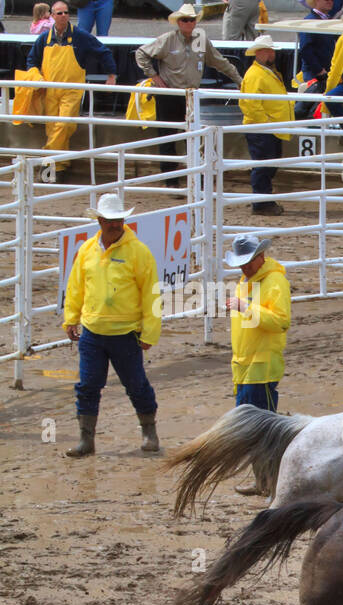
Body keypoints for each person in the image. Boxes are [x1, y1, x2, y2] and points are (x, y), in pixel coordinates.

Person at [63, 194, 162, 459]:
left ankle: (149, 432)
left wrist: (149, 332)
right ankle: (87, 439)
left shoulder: (138, 252)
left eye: (118, 220)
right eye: (110, 220)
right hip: (92, 333)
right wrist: (71, 317)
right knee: (87, 385)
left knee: (136, 384)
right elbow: (76, 287)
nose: (115, 225)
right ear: (99, 220)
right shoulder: (86, 250)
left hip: (126, 333)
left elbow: (151, 295)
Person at [136, 5, 243, 189]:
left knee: (194, 137)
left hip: (191, 95)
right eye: (185, 19)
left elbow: (218, 61)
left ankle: (197, 179)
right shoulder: (168, 39)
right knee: (168, 138)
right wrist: (154, 76)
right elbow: (141, 53)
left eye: (191, 19)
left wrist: (239, 79)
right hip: (170, 94)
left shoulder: (200, 39)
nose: (188, 23)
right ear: (178, 22)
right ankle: (171, 181)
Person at [26, 2, 117, 171]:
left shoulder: (80, 36)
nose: (63, 16)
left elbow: (103, 52)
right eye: (59, 13)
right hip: (50, 91)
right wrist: (36, 77)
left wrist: (111, 74)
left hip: (72, 90)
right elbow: (31, 61)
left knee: (65, 125)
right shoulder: (43, 39)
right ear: (52, 16)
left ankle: (47, 160)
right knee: (53, 129)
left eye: (66, 13)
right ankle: (59, 167)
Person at [224, 234, 291, 414]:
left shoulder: (274, 282)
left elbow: (281, 322)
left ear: (261, 257)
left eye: (248, 263)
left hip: (261, 369)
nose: (245, 268)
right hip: (245, 369)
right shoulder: (247, 281)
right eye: (242, 264)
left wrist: (245, 307)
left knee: (258, 427)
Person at [238, 35, 291, 216]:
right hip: (263, 128)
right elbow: (250, 104)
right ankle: (261, 202)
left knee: (267, 163)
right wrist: (266, 122)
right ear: (260, 52)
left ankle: (262, 200)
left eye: (271, 50)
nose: (272, 54)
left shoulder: (262, 72)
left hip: (267, 126)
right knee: (264, 165)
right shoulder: (257, 74)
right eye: (269, 50)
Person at [296, 0, 337, 116]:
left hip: (324, 72)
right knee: (313, 107)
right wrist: (319, 70)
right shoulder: (309, 21)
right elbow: (305, 49)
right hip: (315, 74)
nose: (330, 1)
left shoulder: (326, 20)